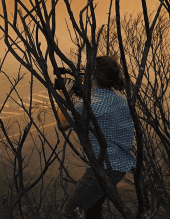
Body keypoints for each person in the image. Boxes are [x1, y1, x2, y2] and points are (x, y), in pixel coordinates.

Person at [57, 55, 135, 219]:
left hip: (105, 167)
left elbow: (62, 124)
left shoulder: (92, 102)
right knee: (92, 210)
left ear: (92, 75)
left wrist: (64, 96)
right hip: (120, 166)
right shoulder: (121, 99)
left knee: (70, 212)